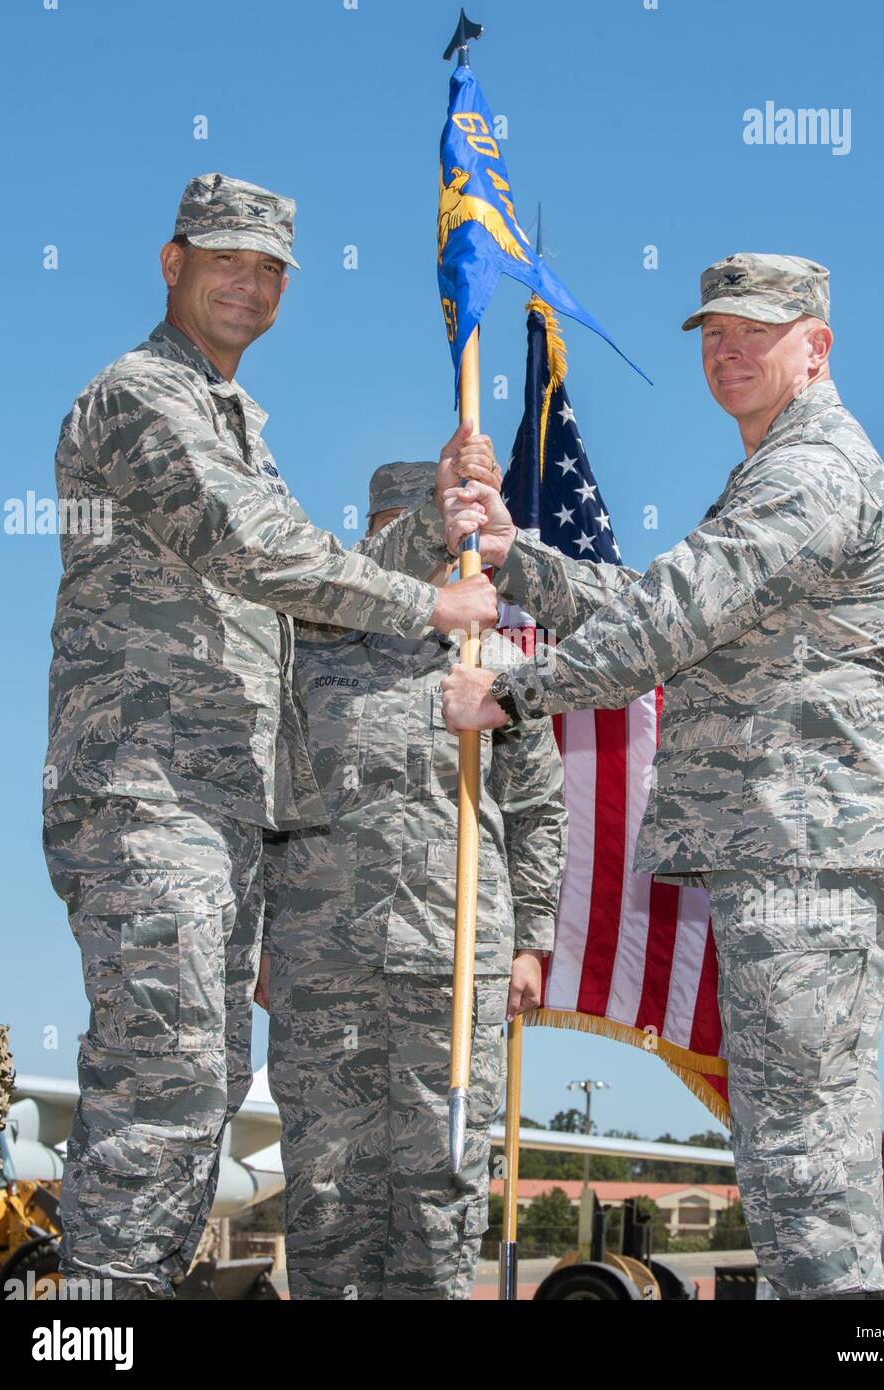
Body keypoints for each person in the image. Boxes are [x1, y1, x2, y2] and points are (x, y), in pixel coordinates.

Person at [42, 171, 500, 1300]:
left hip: (223, 804)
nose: (248, 283)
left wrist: (430, 521)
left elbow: (300, 575)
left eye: (269, 268)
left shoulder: (236, 421)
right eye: (224, 259)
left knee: (200, 1076)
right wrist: (429, 605)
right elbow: (258, 551)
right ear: (172, 262)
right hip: (147, 787)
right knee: (164, 1076)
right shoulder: (141, 396)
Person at [439, 253, 884, 1300]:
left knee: (805, 1159)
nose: (726, 347)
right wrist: (520, 562)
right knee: (794, 1152)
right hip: (782, 852)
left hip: (803, 850)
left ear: (816, 344)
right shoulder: (773, 469)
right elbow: (657, 597)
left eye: (754, 329)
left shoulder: (813, 469)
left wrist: (514, 695)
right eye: (712, 330)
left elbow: (674, 615)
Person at [258, 461, 567, 1299]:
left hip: (453, 958)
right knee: (325, 1184)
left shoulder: (498, 661)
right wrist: (261, 942)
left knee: (441, 1185)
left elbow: (538, 811)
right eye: (406, 531)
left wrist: (530, 942)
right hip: (323, 959)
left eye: (444, 535)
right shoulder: (308, 650)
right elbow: (266, 803)